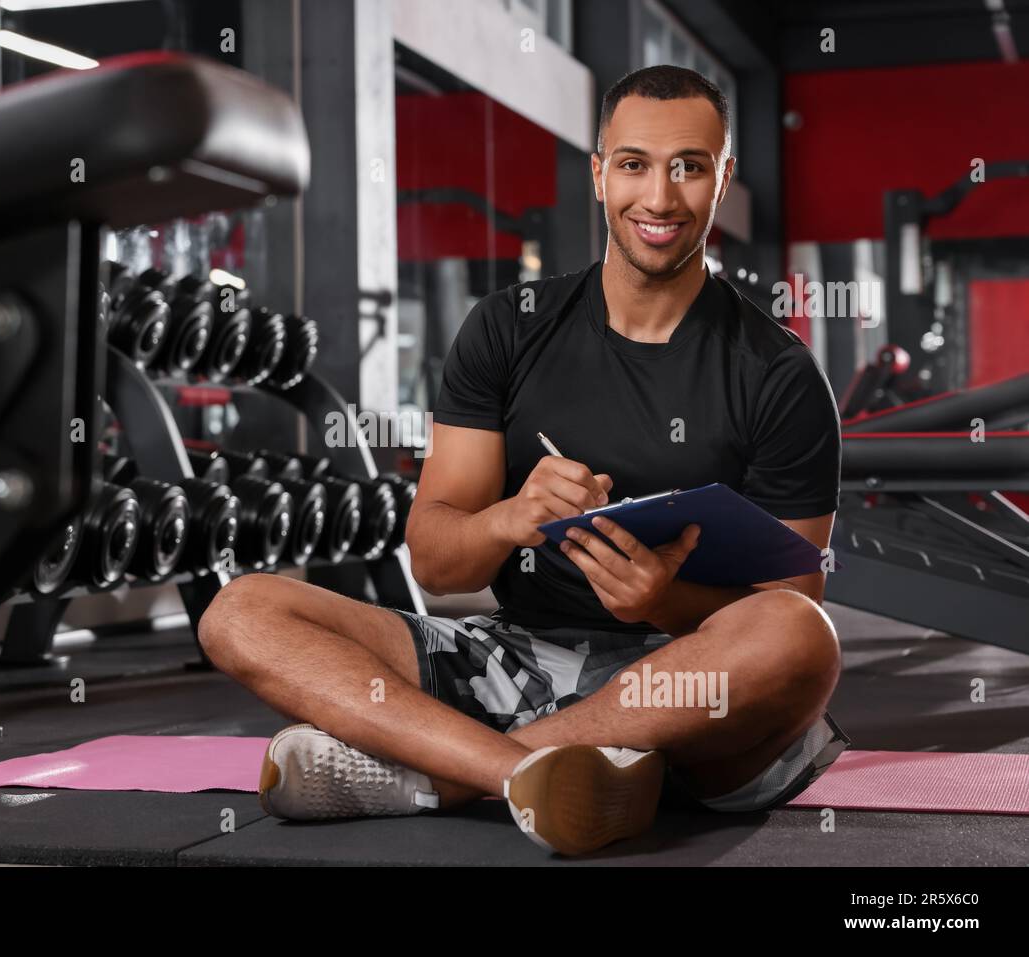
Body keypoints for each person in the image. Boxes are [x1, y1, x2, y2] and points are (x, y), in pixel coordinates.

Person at [197, 64, 849, 856]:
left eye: (690, 166)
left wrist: (663, 601)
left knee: (800, 635)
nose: (661, 198)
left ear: (723, 176)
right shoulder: (509, 327)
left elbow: (792, 597)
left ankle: (437, 774)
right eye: (636, 164)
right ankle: (535, 771)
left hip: (689, 682)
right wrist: (511, 518)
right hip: (511, 662)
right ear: (600, 172)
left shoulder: (777, 372)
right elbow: (438, 564)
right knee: (243, 611)